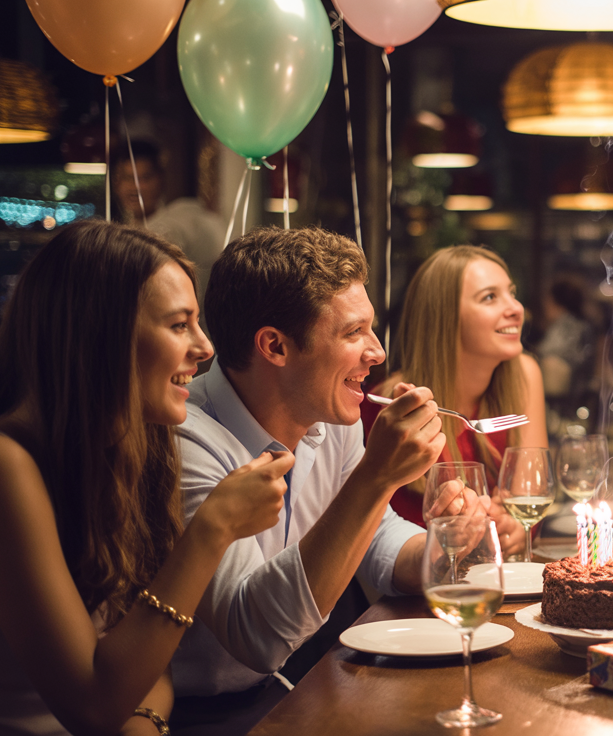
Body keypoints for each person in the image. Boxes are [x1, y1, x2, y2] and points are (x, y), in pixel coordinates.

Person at [168, 227, 484, 734]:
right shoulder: (184, 443)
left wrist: (439, 548)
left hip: (288, 688)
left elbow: (374, 535)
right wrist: (376, 477)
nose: (377, 352)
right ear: (275, 346)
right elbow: (258, 636)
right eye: (353, 333)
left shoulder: (326, 414)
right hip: (196, 716)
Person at [0, 221, 289, 735]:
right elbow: (93, 704)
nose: (205, 346)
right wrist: (211, 529)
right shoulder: (1, 464)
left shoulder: (138, 447)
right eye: (178, 325)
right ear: (102, 336)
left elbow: (147, 662)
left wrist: (144, 722)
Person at [365, 245, 547, 528]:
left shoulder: (525, 374)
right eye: (490, 297)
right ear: (445, 317)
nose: (516, 308)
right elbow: (390, 533)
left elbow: (529, 499)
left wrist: (511, 525)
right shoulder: (394, 404)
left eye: (512, 293)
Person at [112, 140, 227, 310]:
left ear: (161, 178)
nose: (135, 187)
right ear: (116, 182)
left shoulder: (171, 225)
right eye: (127, 178)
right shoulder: (134, 227)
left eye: (145, 178)